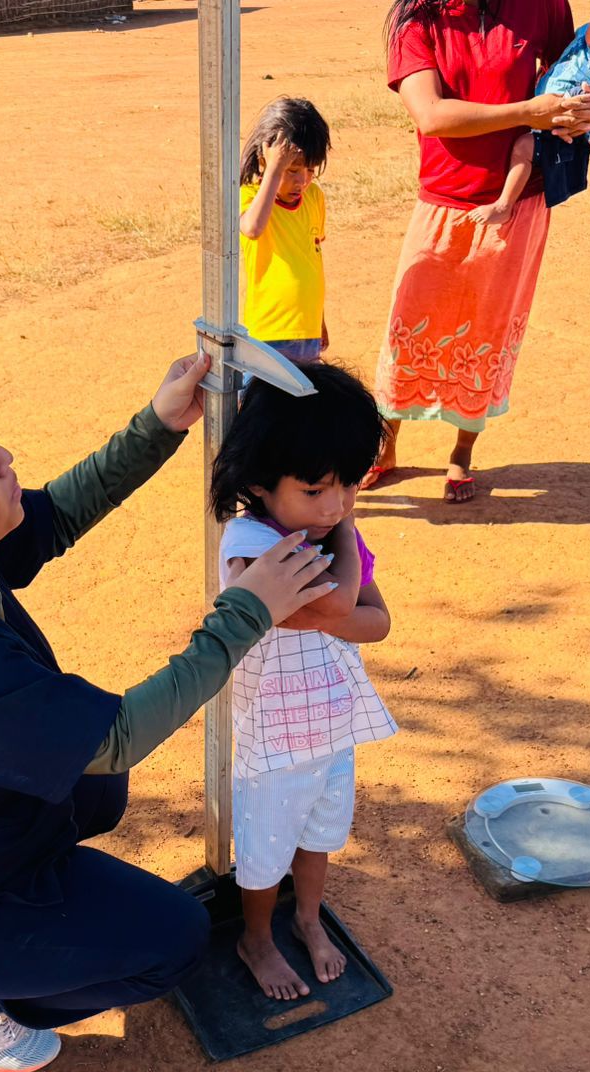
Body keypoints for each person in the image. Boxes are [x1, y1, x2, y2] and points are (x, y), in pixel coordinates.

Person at [0, 357, 333, 1072]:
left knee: (93, 790)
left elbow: (49, 518)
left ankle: (25, 926)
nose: (6, 459)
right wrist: (246, 613)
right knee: (173, 939)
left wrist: (158, 424)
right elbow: (118, 736)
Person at [362, 0, 590, 504]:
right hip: (444, 197)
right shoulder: (416, 22)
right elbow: (431, 117)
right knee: (407, 328)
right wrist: (527, 113)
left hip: (521, 199)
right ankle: (384, 444)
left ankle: (462, 453)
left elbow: (581, 65)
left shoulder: (543, 5)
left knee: (491, 333)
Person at [211, 363, 397, 1003]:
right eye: (317, 489)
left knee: (319, 836)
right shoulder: (249, 544)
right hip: (274, 738)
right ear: (260, 482)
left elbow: (377, 622)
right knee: (263, 852)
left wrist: (331, 607)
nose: (337, 504)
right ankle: (256, 937)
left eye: (348, 487)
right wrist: (344, 537)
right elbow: (348, 607)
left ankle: (309, 919)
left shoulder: (323, 530)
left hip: (333, 724)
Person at [466, 1, 590, 222]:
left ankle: (503, 206)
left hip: (565, 127)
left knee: (523, 149)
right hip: (543, 111)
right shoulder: (587, 34)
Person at [239, 96, 333, 366]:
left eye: (310, 170)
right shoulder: (250, 197)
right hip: (268, 336)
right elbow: (253, 229)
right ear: (263, 159)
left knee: (305, 408)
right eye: (291, 170)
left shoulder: (314, 198)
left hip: (308, 333)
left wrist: (320, 320)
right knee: (263, 407)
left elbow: (312, 260)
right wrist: (274, 168)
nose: (302, 181)